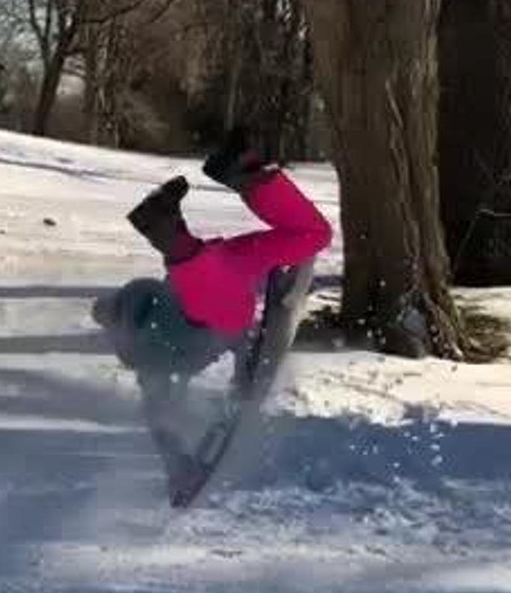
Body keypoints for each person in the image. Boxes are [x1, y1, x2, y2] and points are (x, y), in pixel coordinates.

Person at [91, 127, 332, 494]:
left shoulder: (150, 358)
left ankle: (171, 230)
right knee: (311, 234)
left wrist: (179, 468)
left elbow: (160, 422)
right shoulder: (156, 321)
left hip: (209, 285)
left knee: (224, 309)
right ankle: (246, 171)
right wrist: (244, 375)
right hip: (214, 272)